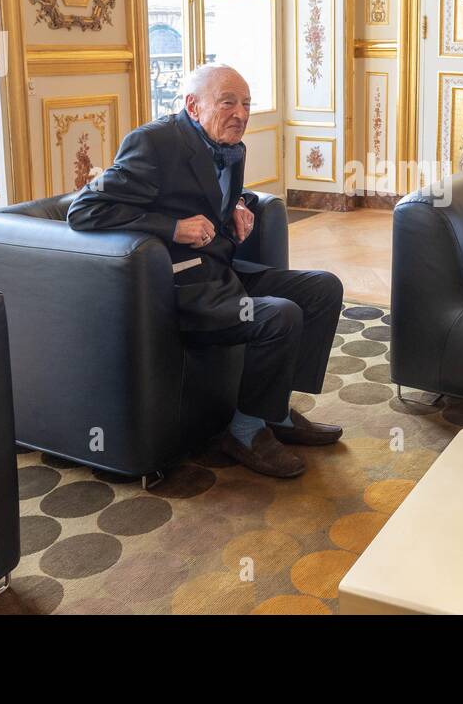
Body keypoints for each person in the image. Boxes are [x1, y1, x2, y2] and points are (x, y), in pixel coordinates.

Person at [67, 64, 344, 478]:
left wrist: (237, 204)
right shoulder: (153, 143)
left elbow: (208, 190)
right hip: (179, 287)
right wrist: (172, 228)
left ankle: (276, 411)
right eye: (228, 101)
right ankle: (246, 433)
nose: (241, 113)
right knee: (280, 313)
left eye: (247, 103)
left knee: (323, 288)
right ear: (192, 106)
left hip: (221, 271)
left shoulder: (232, 146)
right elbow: (85, 209)